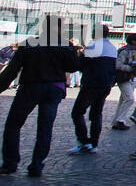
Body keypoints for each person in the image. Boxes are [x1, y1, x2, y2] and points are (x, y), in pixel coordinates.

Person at [0, 37, 80, 176]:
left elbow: (13, 69)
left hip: (30, 87)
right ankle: (37, 166)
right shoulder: (65, 45)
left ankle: (10, 163)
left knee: (13, 125)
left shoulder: (30, 43)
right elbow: (73, 67)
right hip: (54, 88)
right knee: (45, 129)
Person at [68, 26, 118, 154]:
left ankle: (84, 141)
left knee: (77, 112)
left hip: (91, 84)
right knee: (97, 113)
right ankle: (94, 143)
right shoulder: (112, 48)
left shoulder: (93, 46)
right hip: (106, 84)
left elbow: (80, 65)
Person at [110, 33, 136, 131]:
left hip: (132, 78)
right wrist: (130, 68)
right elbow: (118, 65)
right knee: (130, 98)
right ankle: (120, 120)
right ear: (133, 41)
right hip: (124, 77)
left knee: (123, 100)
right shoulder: (124, 51)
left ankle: (116, 122)